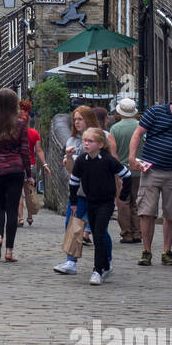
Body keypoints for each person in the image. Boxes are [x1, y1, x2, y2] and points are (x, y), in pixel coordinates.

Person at [128, 87, 172, 266]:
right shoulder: (155, 112)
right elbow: (138, 134)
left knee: (171, 213)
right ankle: (146, 251)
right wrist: (132, 157)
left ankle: (167, 251)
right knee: (146, 212)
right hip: (151, 169)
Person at [67, 126, 132, 285]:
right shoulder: (82, 160)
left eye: (90, 141)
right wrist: (74, 201)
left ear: (100, 144)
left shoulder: (108, 160)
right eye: (84, 141)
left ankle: (97, 270)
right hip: (91, 201)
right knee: (97, 234)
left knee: (99, 233)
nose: (86, 144)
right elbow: (74, 181)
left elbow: (127, 175)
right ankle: (105, 266)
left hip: (106, 202)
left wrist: (123, 195)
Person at [54, 105, 112, 274]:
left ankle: (106, 260)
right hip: (79, 192)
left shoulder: (105, 137)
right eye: (74, 119)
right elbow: (71, 170)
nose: (76, 122)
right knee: (72, 225)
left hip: (99, 193)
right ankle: (71, 262)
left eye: (80, 119)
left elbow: (113, 164)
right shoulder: (72, 140)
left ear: (89, 119)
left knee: (99, 230)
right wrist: (70, 156)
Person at [0, 88, 32, 262]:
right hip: (15, 169)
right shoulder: (20, 123)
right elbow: (25, 150)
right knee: (12, 209)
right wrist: (29, 173)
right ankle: (9, 251)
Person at [109, 98, 142, 243]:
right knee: (137, 202)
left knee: (123, 202)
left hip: (123, 170)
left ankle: (127, 233)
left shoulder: (115, 128)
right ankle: (138, 232)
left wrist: (116, 171)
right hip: (140, 169)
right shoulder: (141, 126)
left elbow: (113, 152)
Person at [17, 100, 51, 226]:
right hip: (30, 165)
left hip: (16, 165)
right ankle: (29, 216)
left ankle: (20, 218)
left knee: (17, 193)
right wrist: (45, 164)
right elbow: (39, 151)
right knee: (28, 192)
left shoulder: (14, 132)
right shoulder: (34, 133)